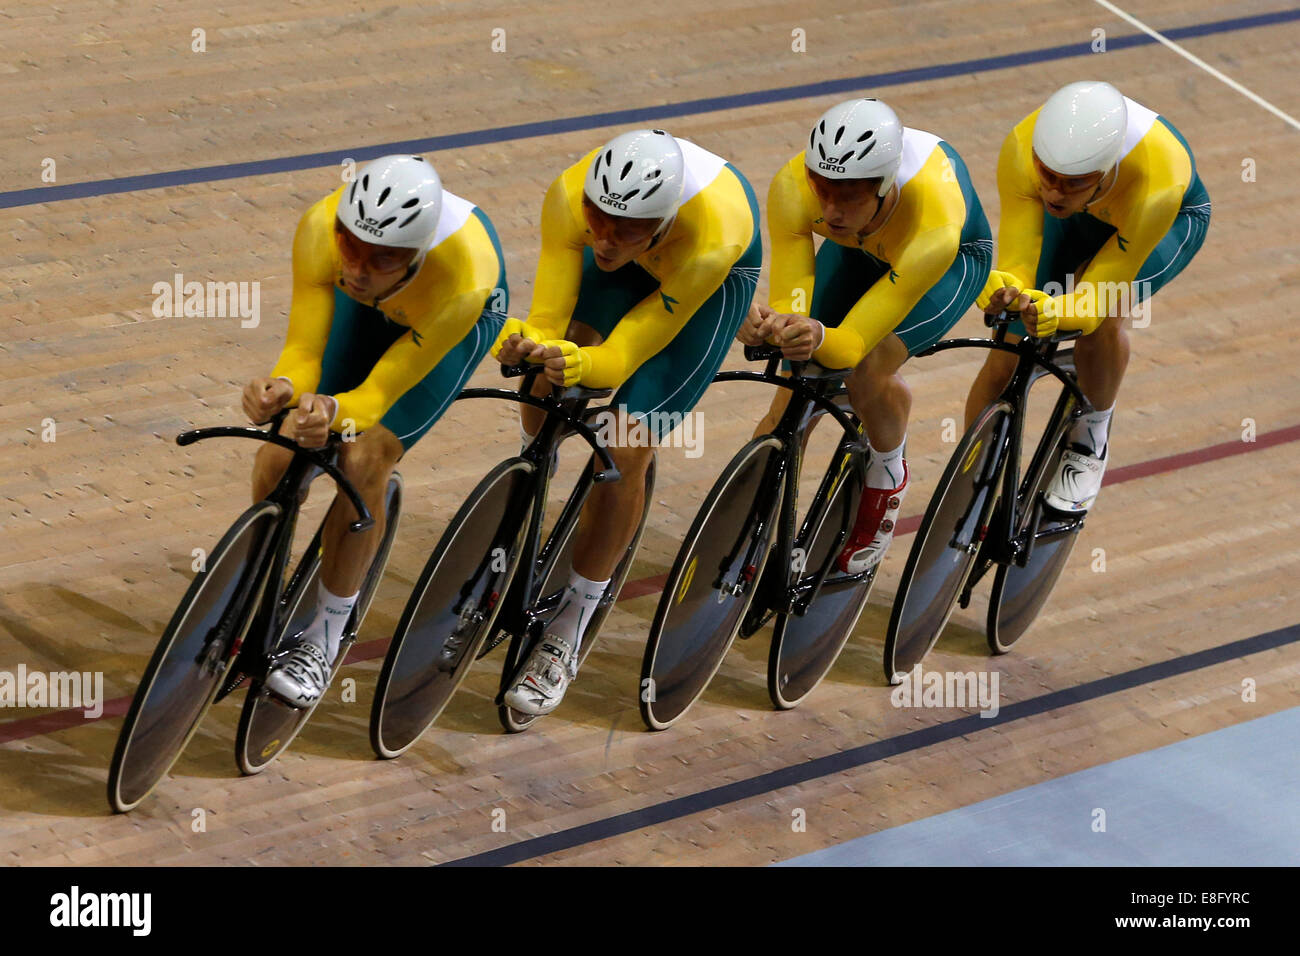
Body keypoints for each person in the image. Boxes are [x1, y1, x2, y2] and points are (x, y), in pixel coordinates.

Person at [491, 128, 761, 715]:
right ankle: (534, 474)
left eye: (627, 230)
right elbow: (547, 315)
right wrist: (529, 344)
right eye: (599, 223)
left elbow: (628, 350)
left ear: (662, 221)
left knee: (622, 444)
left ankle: (569, 627)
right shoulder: (571, 198)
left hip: (703, 283)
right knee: (547, 378)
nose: (607, 241)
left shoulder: (715, 234)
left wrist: (584, 360)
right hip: (654, 254)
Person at [241, 154, 509, 706]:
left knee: (364, 459)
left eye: (381, 259)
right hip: (370, 311)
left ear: (415, 255)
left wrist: (334, 414)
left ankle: (326, 633)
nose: (358, 269)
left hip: (444, 324)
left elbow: (377, 395)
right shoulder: (321, 229)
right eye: (352, 249)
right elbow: (303, 350)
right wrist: (286, 390)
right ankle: (251, 586)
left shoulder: (465, 275)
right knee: (280, 451)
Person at [737, 97, 992, 573]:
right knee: (797, 387)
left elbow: (851, 343)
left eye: (848, 196)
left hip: (947, 264)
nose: (830, 210)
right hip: (858, 249)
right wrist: (780, 326)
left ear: (883, 184)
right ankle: (748, 531)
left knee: (867, 367)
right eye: (824, 191)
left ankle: (887, 475)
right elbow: (796, 306)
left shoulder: (933, 218)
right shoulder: (793, 187)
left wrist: (817, 333)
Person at [964, 81, 1211, 512]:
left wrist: (1058, 311)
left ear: (1105, 168)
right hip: (1080, 218)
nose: (1055, 192)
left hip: (1160, 224)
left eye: (1072, 182)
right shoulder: (1022, 148)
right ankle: (966, 477)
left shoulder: (1158, 176)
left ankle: (1091, 437)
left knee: (1102, 321)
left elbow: (1095, 300)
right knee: (1007, 345)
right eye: (1049, 177)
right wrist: (1010, 291)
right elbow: (1021, 260)